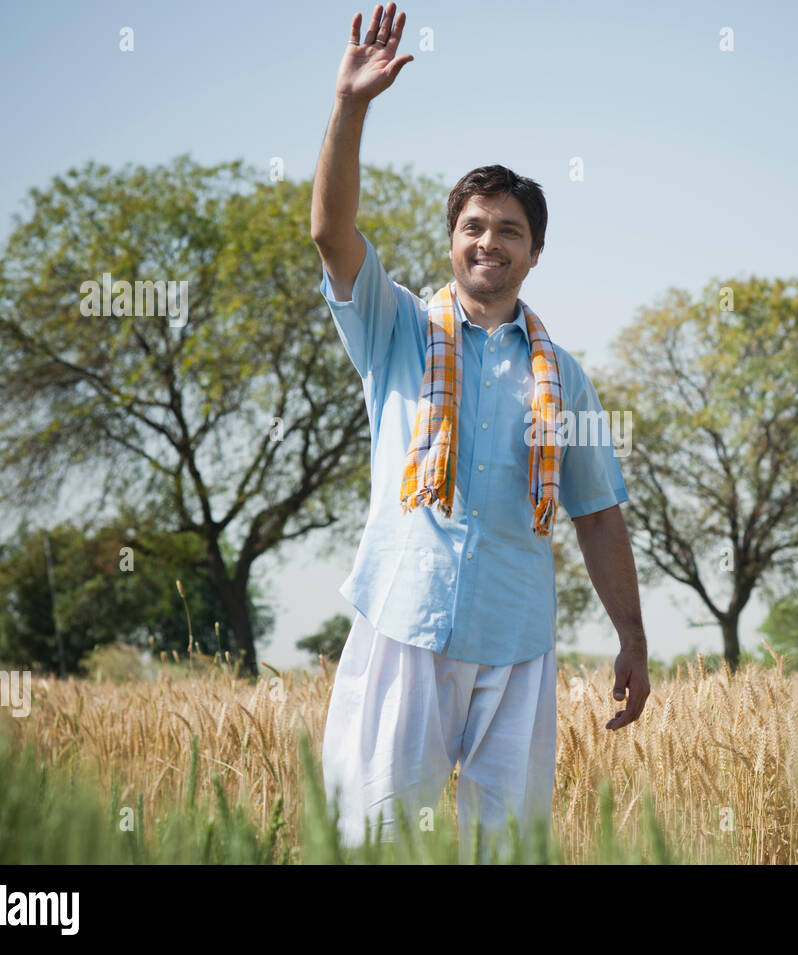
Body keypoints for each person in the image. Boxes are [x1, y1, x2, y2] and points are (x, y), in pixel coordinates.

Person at [310, 4, 651, 863]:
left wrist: (633, 638)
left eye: (509, 230)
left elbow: (599, 512)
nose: (488, 241)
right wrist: (351, 106)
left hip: (518, 641)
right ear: (452, 241)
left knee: (507, 851)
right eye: (473, 226)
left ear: (534, 253)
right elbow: (330, 232)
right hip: (404, 622)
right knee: (377, 843)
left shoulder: (563, 374)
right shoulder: (397, 330)